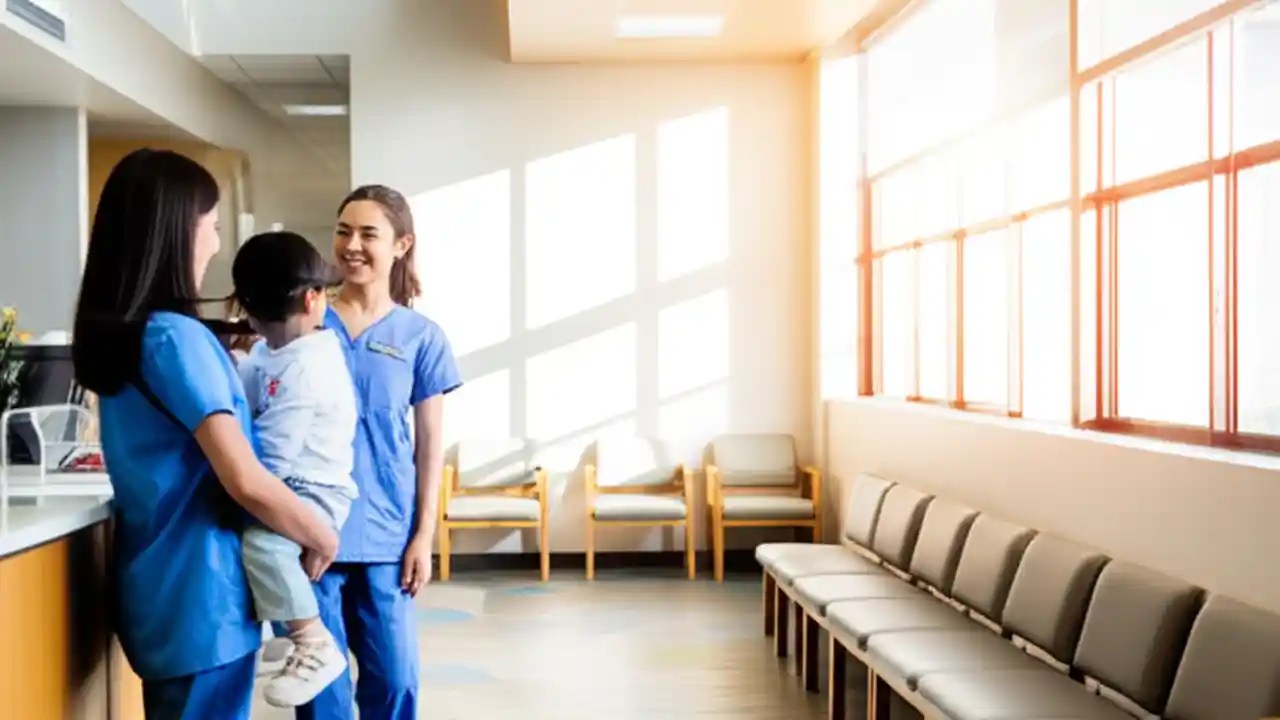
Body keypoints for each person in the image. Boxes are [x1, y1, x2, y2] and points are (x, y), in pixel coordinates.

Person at [72, 148, 339, 719]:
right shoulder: (176, 338)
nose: (216, 244)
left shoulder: (129, 338)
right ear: (174, 232)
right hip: (203, 595)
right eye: (211, 227)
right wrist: (320, 533)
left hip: (158, 589)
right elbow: (243, 477)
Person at [300, 185, 462, 720]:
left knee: (395, 684)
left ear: (401, 245)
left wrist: (423, 535)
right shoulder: (307, 322)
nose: (351, 245)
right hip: (311, 532)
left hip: (387, 535)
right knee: (322, 693)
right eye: (343, 231)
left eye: (369, 233)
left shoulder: (421, 336)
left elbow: (429, 446)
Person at [231, 231, 359, 707]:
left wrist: (231, 472)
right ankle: (286, 625)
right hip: (292, 479)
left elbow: (273, 457)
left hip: (317, 490)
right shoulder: (270, 352)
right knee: (248, 540)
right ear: (312, 298)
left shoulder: (309, 365)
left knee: (263, 544)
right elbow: (247, 395)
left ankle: (313, 641)